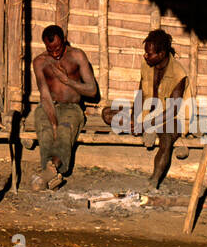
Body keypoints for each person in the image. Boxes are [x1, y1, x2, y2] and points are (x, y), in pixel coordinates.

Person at [102, 28, 189, 189]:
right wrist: (136, 119)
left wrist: (145, 124)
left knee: (166, 140)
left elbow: (173, 111)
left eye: (149, 54)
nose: (145, 56)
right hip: (148, 115)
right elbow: (141, 94)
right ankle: (147, 131)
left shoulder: (179, 74)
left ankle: (153, 181)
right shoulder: (147, 64)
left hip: (170, 119)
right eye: (145, 53)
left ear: (162, 54)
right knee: (107, 114)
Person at [31, 25, 98, 190]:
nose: (55, 53)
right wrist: (53, 122)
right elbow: (45, 95)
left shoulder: (77, 56)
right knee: (46, 132)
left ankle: (48, 173)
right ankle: (52, 173)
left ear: (64, 39)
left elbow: (92, 91)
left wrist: (67, 80)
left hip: (72, 108)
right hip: (48, 106)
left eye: (58, 48)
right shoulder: (40, 62)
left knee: (63, 132)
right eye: (50, 49)